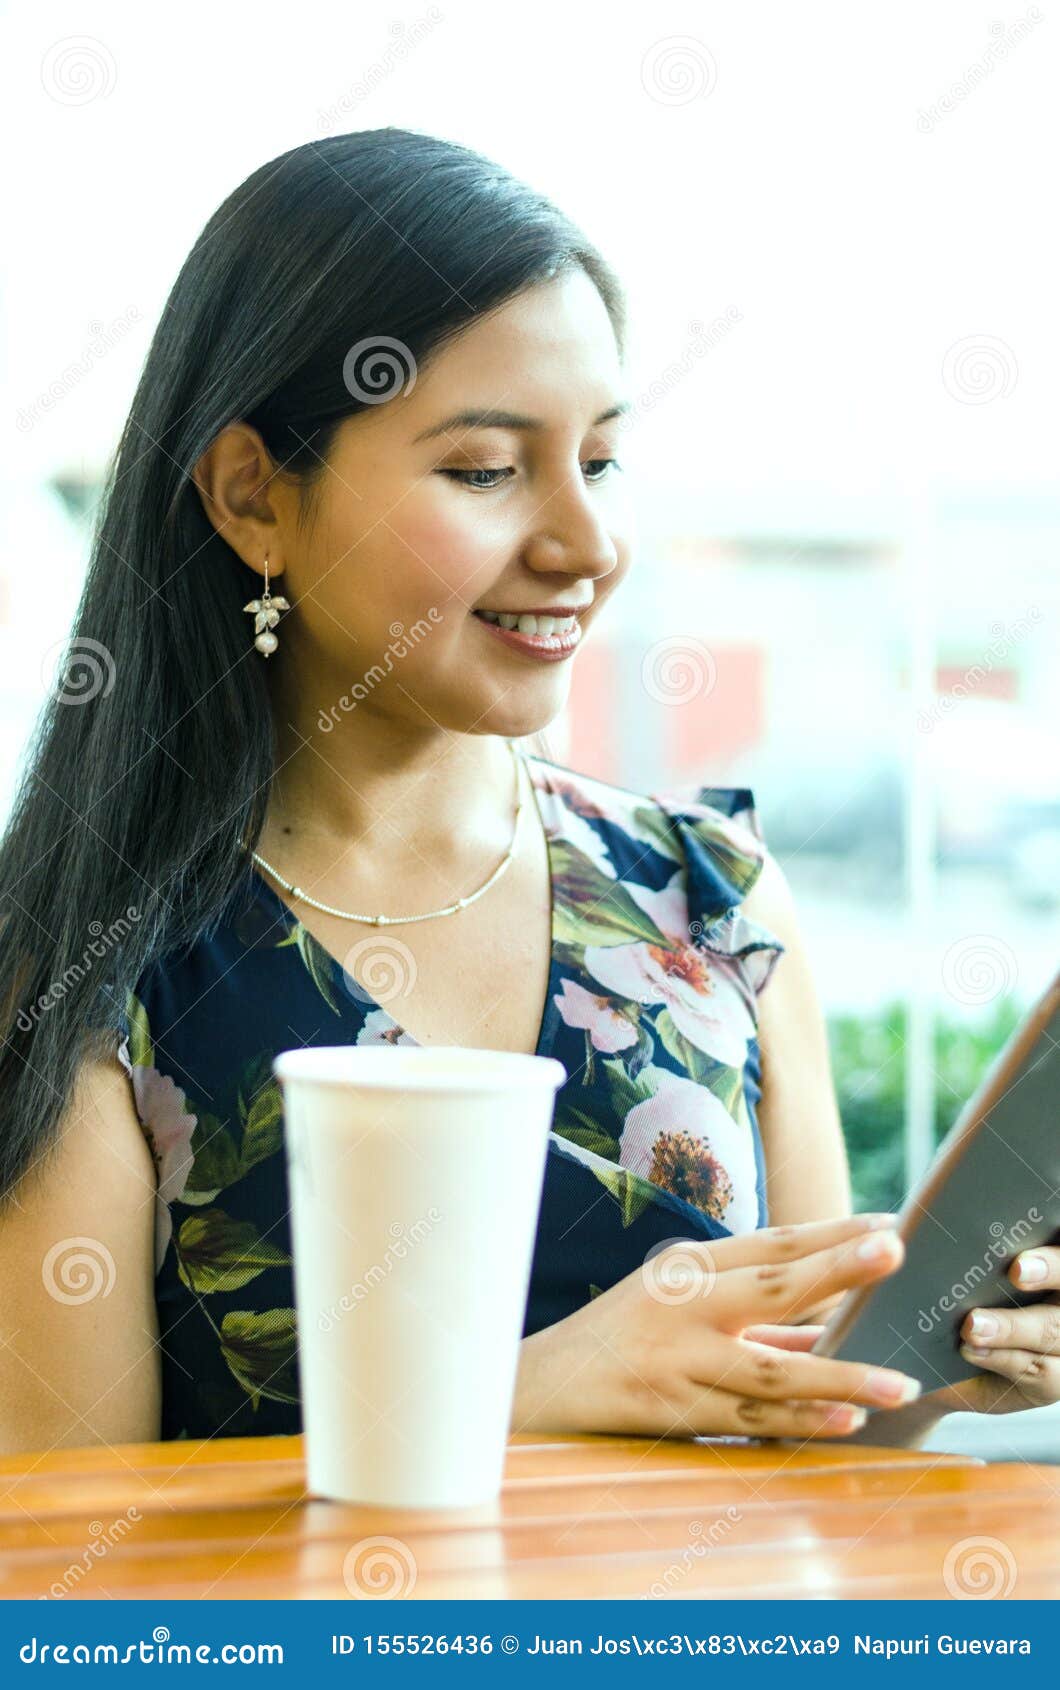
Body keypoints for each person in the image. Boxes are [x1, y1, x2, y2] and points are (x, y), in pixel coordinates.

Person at [2, 131, 1056, 1456]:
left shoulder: (710, 900)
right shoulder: (90, 975)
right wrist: (522, 1392)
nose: (587, 544)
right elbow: (61, 1553)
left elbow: (804, 1468)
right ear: (253, 497)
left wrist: (932, 1367)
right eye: (487, 470)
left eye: (600, 462)